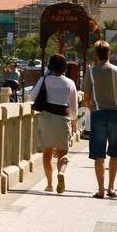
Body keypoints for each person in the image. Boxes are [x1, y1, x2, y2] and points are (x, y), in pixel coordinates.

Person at [82, 40, 117, 200]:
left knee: (99, 154)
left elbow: (86, 98)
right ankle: (111, 187)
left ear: (96, 54)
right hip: (116, 114)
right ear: (109, 53)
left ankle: (100, 190)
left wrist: (91, 112)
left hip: (98, 114)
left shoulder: (90, 72)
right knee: (114, 152)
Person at [27, 53, 79, 193]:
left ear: (50, 66)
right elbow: (73, 107)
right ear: (64, 68)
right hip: (63, 119)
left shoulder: (44, 80)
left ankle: (50, 184)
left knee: (47, 153)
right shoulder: (70, 83)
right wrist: (73, 122)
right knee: (63, 154)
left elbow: (32, 96)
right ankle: (61, 173)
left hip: (47, 118)